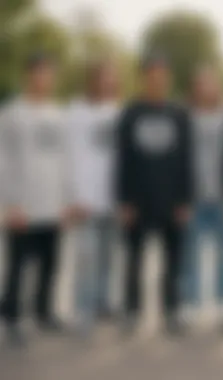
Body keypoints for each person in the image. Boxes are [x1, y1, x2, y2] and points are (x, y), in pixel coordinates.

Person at [115, 53, 192, 335]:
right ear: (143, 77)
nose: (157, 79)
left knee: (172, 261)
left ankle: (171, 312)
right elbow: (122, 160)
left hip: (172, 201)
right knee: (134, 260)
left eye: (162, 74)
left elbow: (187, 160)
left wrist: (185, 200)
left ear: (168, 78)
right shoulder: (131, 113)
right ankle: (132, 312)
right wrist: (124, 201)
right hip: (138, 201)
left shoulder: (180, 114)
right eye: (151, 74)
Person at [0, 53, 67, 346]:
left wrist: (66, 200)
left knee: (51, 263)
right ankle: (12, 318)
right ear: (29, 75)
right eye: (39, 72)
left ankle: (43, 311)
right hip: (23, 206)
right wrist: (11, 203)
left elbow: (65, 160)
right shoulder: (13, 113)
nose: (44, 78)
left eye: (49, 73)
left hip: (53, 204)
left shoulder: (57, 113)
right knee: (18, 266)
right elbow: (3, 160)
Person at [66, 59, 122, 336]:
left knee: (108, 258)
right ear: (92, 80)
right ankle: (82, 312)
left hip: (112, 200)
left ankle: (102, 303)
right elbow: (69, 157)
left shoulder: (119, 112)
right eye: (101, 78)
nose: (106, 83)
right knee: (86, 259)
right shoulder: (76, 112)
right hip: (85, 200)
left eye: (110, 78)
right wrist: (72, 196)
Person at [182, 64, 223, 321]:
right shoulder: (185, 118)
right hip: (195, 197)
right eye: (200, 83)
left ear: (217, 86)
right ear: (194, 89)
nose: (205, 88)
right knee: (191, 253)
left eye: (209, 82)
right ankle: (192, 301)